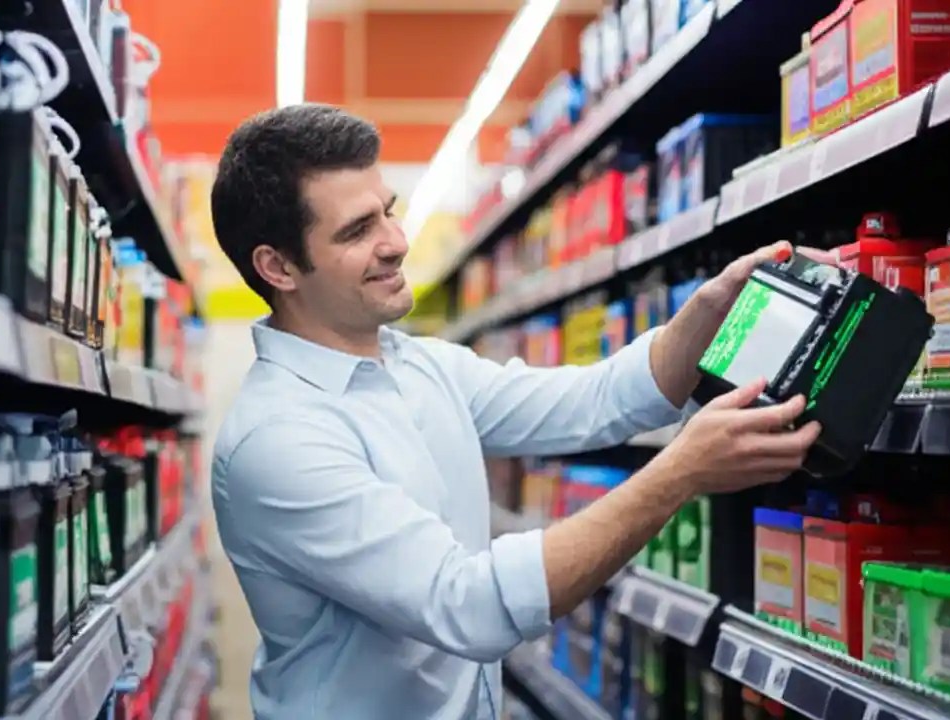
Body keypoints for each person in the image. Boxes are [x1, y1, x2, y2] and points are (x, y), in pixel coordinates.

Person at [208, 104, 821, 720]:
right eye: (357, 230)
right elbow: (470, 606)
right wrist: (679, 472)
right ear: (278, 267)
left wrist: (705, 314)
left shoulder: (421, 365)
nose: (395, 242)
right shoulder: (278, 440)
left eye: (388, 211)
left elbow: (593, 402)